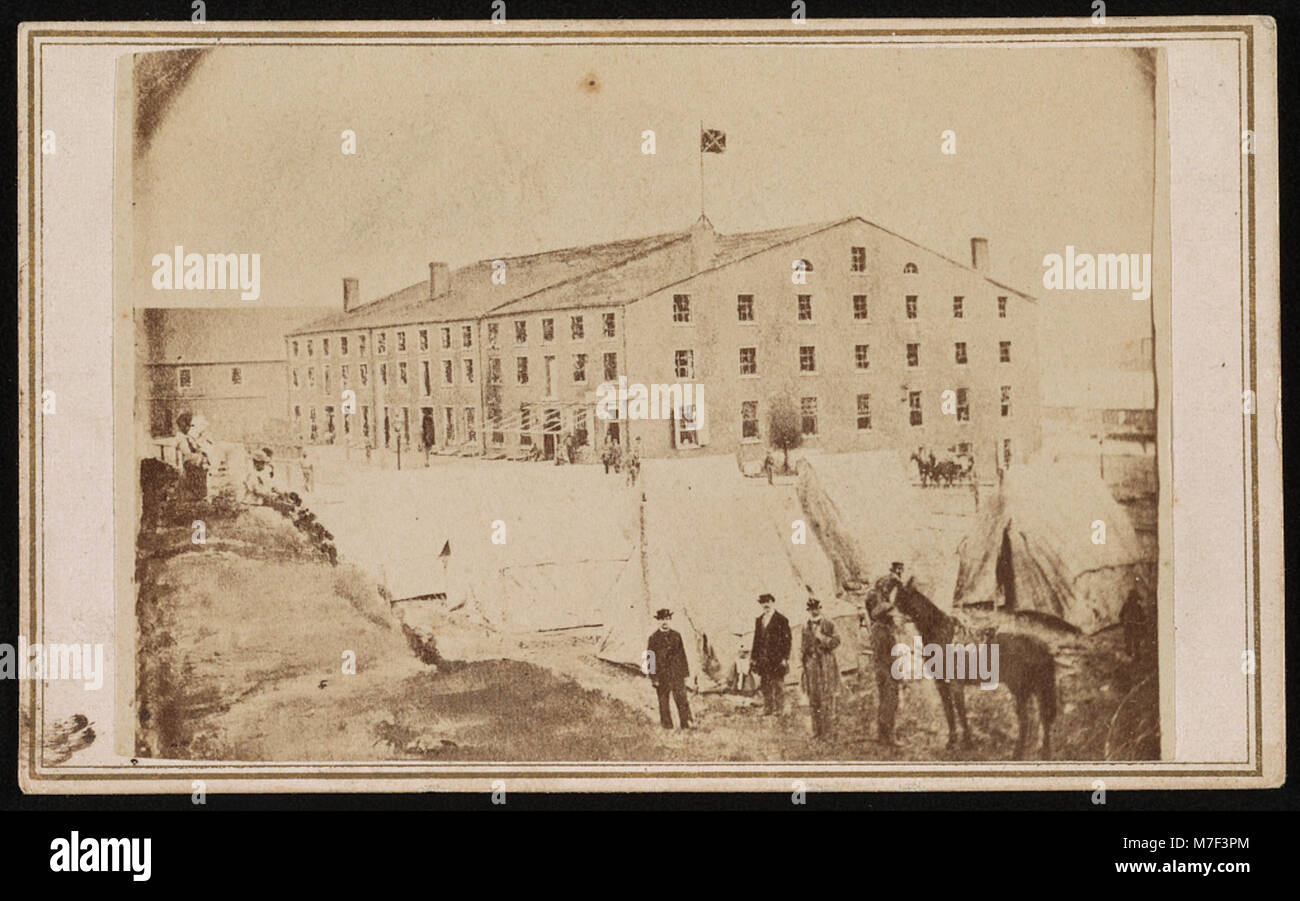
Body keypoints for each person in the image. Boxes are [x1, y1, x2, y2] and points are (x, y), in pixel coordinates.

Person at [864, 561, 906, 746]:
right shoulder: (881, 629)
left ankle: (885, 735)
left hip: (885, 666)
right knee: (889, 699)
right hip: (886, 668)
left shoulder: (881, 627)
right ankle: (887, 736)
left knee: (887, 700)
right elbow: (888, 655)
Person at [801, 598, 841, 739]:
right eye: (811, 609)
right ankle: (817, 731)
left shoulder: (829, 623)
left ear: (820, 608)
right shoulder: (805, 626)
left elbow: (837, 640)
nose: (814, 611)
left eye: (816, 608)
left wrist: (822, 638)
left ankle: (828, 732)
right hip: (811, 665)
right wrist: (804, 665)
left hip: (826, 663)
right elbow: (803, 647)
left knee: (827, 697)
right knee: (814, 698)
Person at [646, 608, 692, 730]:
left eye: (667, 619)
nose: (665, 622)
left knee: (682, 699)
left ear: (670, 620)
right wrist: (653, 677)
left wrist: (685, 674)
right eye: (662, 619)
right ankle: (667, 726)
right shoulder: (653, 638)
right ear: (658, 621)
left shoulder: (677, 636)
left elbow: (682, 655)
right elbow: (650, 659)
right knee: (663, 702)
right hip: (662, 675)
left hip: (677, 674)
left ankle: (685, 723)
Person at [751, 592, 791, 715]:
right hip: (763, 658)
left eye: (767, 602)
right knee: (765, 684)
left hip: (777, 658)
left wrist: (785, 657)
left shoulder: (781, 619)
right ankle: (768, 707)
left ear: (772, 602)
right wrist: (754, 657)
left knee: (778, 683)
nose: (765, 605)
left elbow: (787, 640)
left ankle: (779, 708)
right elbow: (756, 639)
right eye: (763, 602)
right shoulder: (759, 620)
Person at [173, 411, 210, 500]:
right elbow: (187, 454)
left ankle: (200, 496)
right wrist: (200, 457)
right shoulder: (180, 438)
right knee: (196, 478)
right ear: (183, 425)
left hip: (194, 463)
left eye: (190, 425)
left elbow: (196, 447)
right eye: (188, 425)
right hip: (189, 465)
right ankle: (196, 497)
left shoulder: (187, 436)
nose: (189, 428)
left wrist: (201, 452)